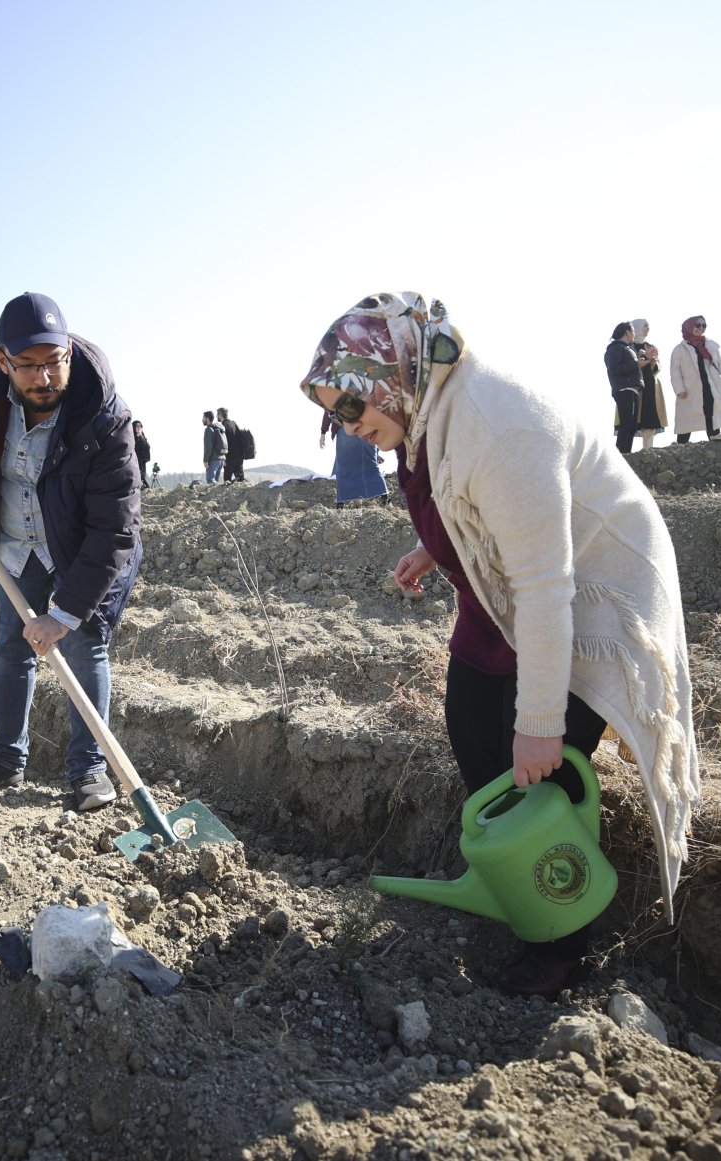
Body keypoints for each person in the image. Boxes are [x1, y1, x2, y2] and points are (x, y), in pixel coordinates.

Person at [298, 292, 699, 999]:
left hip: (593, 599)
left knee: (538, 767)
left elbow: (548, 590)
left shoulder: (496, 423)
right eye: (337, 416)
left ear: (390, 375)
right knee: (473, 719)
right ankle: (514, 880)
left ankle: (559, 939)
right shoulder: (427, 410)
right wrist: (433, 545)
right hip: (509, 584)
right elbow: (465, 495)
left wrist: (540, 724)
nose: (351, 428)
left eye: (353, 409)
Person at [0, 291, 141, 812]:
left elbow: (114, 527)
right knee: (11, 646)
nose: (44, 378)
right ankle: (4, 764)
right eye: (27, 366)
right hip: (14, 541)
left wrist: (65, 613)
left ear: (68, 353)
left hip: (83, 548)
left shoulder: (103, 416)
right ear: (4, 361)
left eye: (53, 362)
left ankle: (89, 774)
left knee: (82, 646)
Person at [668, 316, 721, 443]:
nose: (701, 328)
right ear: (689, 326)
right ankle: (681, 443)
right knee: (687, 417)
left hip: (711, 384)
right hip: (690, 388)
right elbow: (675, 371)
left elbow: (720, 364)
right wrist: (679, 388)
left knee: (711, 409)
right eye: (697, 325)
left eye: (704, 325)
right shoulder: (679, 349)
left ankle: (715, 436)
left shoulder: (711, 344)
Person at [321, 409, 387, 506]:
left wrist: (323, 433)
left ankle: (341, 503)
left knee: (344, 467)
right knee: (370, 464)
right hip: (365, 427)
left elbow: (328, 409)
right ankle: (384, 497)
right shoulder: (364, 394)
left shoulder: (337, 395)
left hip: (346, 429)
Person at [604, 322, 645, 456]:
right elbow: (614, 368)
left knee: (632, 425)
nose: (634, 334)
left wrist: (643, 360)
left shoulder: (627, 348)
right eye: (632, 331)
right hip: (623, 389)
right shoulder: (616, 348)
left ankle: (626, 454)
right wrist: (637, 363)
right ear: (626, 332)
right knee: (626, 423)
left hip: (632, 389)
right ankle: (619, 455)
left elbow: (629, 366)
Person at [629, 320, 666, 452]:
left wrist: (654, 362)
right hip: (634, 384)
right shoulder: (629, 346)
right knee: (631, 418)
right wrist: (641, 357)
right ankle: (626, 452)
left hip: (650, 384)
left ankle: (648, 450)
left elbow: (657, 369)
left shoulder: (651, 346)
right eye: (645, 325)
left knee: (649, 416)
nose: (648, 328)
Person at [217, 407, 246, 482]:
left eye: (217, 415)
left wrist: (223, 458)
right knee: (240, 480)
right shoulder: (233, 423)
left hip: (229, 458)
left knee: (227, 480)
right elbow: (241, 437)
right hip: (239, 456)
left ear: (220, 415)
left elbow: (223, 443)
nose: (216, 416)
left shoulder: (223, 426)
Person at [201, 411, 227, 485]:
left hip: (213, 459)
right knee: (215, 484)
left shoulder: (208, 429)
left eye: (203, 418)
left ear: (207, 418)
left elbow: (208, 447)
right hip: (221, 459)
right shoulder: (219, 428)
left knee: (211, 482)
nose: (202, 420)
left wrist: (205, 460)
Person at [132, 420, 153, 489]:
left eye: (140, 426)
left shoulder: (143, 437)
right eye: (137, 426)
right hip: (133, 460)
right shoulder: (131, 437)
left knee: (142, 475)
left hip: (141, 460)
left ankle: (143, 488)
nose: (139, 428)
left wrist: (141, 437)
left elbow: (147, 447)